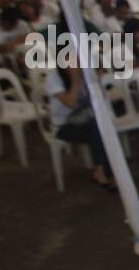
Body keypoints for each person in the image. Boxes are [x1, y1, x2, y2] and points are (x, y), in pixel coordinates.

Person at [45, 61, 116, 191]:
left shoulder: (87, 72)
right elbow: (71, 103)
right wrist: (75, 80)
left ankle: (102, 170)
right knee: (98, 129)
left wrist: (97, 80)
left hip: (88, 121)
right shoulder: (53, 78)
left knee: (100, 128)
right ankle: (108, 173)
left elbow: (100, 99)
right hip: (63, 125)